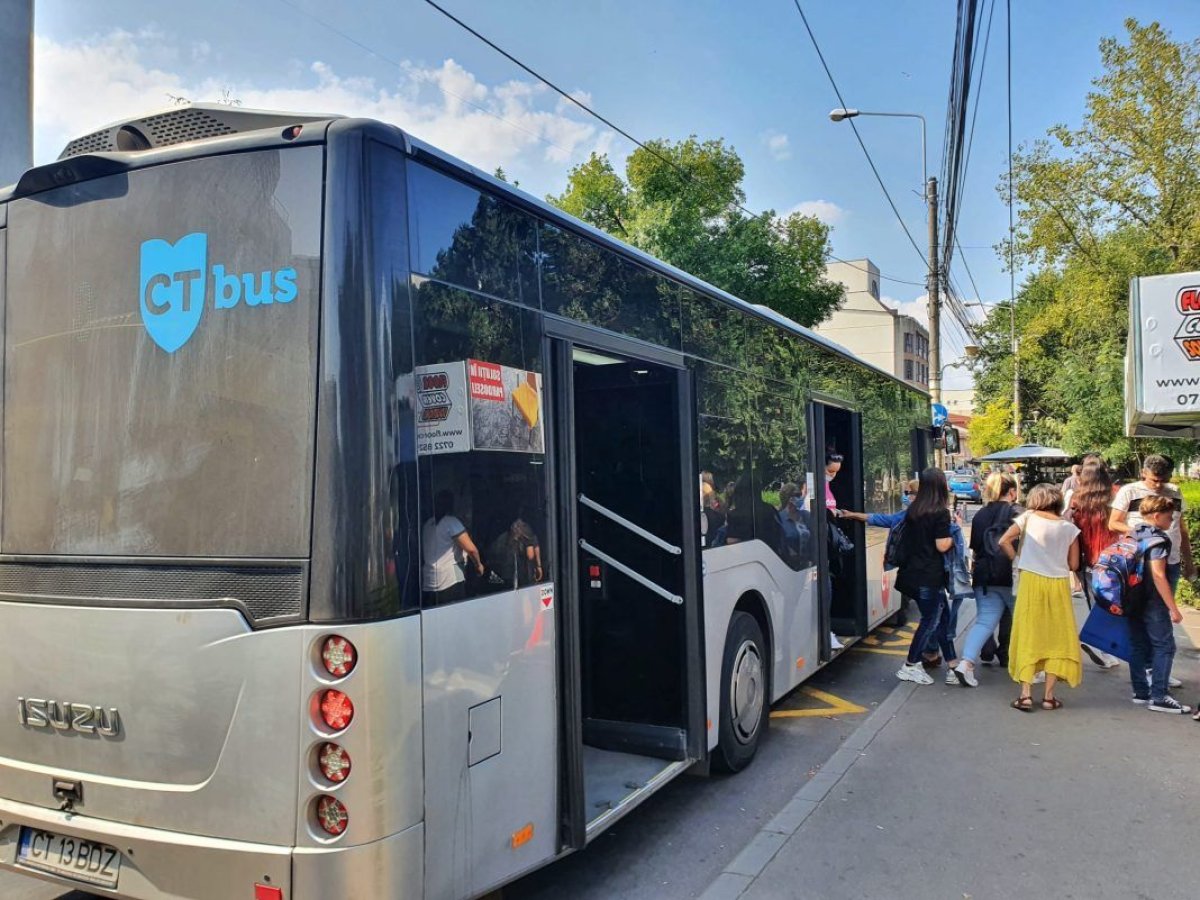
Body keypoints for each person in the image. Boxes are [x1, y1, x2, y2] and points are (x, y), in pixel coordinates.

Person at [1109, 454, 1195, 688]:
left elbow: (1182, 528)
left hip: (1171, 562)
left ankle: (1156, 670)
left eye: (1163, 480)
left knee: (1159, 619)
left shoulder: (1174, 491)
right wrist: (1144, 533)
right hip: (1142, 563)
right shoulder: (1129, 491)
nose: (1158, 485)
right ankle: (1152, 672)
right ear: (1144, 473)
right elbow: (1113, 522)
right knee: (1149, 617)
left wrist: (1188, 560)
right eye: (1155, 480)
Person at [999, 484, 1082, 711]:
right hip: (1057, 584)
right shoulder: (1069, 527)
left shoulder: (1028, 518)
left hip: (1031, 582)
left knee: (1029, 633)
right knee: (1056, 636)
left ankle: (1025, 695)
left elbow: (1003, 540)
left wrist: (1017, 559)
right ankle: (1049, 696)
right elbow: (1074, 564)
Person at [952, 473, 1021, 687]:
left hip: (985, 574)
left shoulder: (981, 514)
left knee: (984, 621)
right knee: (1023, 621)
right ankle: (1029, 668)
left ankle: (966, 664)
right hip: (1012, 575)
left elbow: (976, 548)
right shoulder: (1018, 513)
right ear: (1012, 492)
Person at [1125, 495, 1191, 714]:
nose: (1172, 520)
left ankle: (1141, 692)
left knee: (1138, 645)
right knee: (1165, 645)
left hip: (1131, 598)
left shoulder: (1132, 534)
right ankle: (1159, 696)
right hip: (1152, 599)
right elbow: (1159, 575)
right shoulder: (1158, 540)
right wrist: (1173, 608)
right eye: (1169, 516)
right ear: (1156, 515)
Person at [894, 468, 959, 685]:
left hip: (911, 573)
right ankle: (910, 665)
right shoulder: (940, 512)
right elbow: (942, 545)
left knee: (942, 618)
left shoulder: (914, 510)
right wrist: (953, 536)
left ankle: (953, 665)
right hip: (930, 575)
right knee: (931, 621)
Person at [1066, 459, 1123, 668]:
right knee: (1111, 605)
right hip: (1112, 560)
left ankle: (1103, 649)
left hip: (1086, 559)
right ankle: (1098, 644)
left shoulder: (1076, 499)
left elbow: (1068, 526)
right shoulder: (1114, 496)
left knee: (1095, 603)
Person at [422, 489, 485, 605]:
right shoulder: (451, 522)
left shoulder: (428, 524)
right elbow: (471, 549)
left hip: (429, 580)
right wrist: (479, 565)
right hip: (450, 579)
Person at [488, 515, 542, 589]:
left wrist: (538, 566)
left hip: (523, 576)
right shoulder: (502, 540)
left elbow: (532, 552)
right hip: (509, 576)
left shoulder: (527, 532)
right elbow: (531, 555)